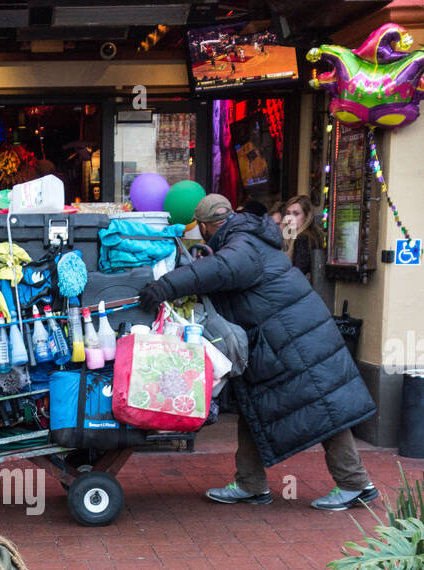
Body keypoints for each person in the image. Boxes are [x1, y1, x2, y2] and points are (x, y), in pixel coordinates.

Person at [136, 194, 378, 511]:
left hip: (295, 340)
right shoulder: (246, 237)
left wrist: (163, 287)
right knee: (256, 407)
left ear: (209, 225)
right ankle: (251, 484)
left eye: (202, 228)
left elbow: (220, 269)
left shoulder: (242, 244)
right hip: (284, 338)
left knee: (323, 408)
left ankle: (356, 484)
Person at [281, 194, 323, 281]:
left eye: (296, 214)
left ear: (307, 217)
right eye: (288, 213)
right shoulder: (311, 235)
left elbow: (298, 274)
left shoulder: (303, 238)